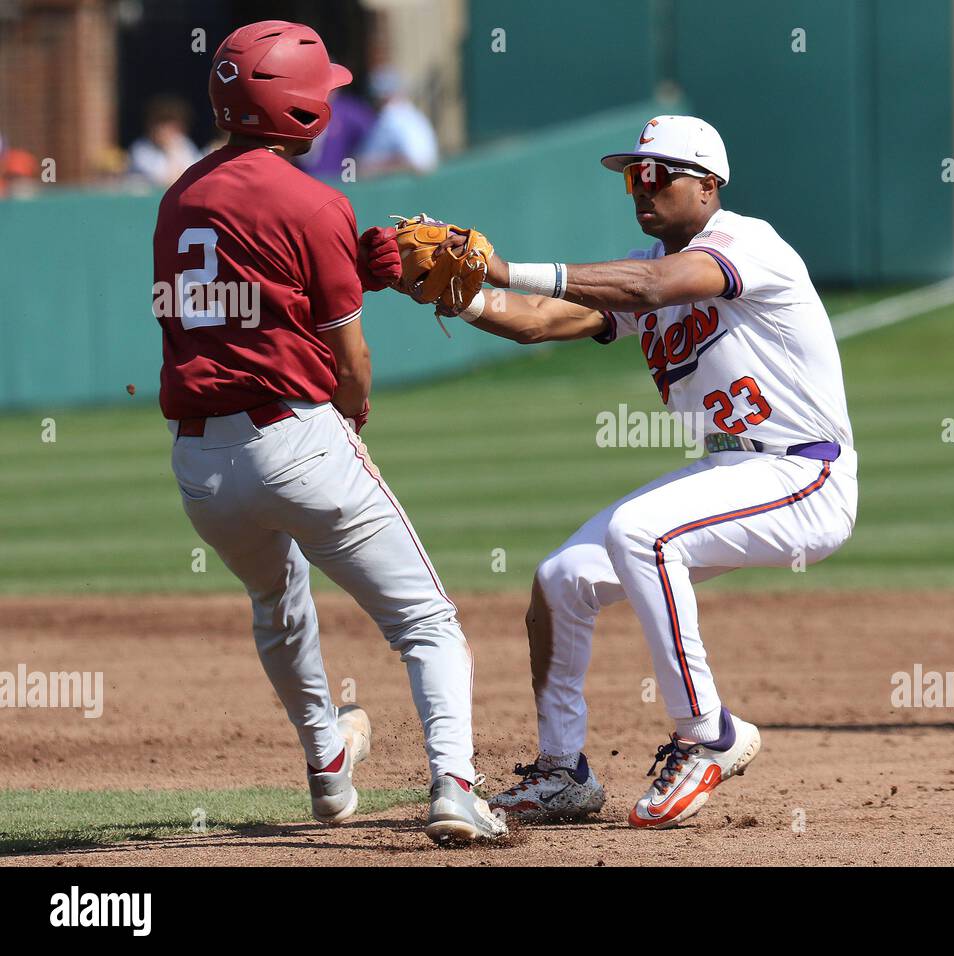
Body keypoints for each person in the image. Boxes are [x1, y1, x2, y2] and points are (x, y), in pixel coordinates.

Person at [362, 115, 857, 828]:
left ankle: (707, 733)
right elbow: (535, 319)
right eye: (633, 176)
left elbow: (656, 286)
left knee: (642, 533)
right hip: (733, 473)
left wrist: (498, 264)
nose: (641, 189)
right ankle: (563, 772)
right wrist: (453, 292)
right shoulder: (639, 269)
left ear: (710, 185)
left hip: (806, 476)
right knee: (562, 580)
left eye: (658, 175)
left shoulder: (747, 244)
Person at [152, 19, 505, 842]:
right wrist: (351, 413)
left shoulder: (177, 200)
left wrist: (349, 256)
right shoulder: (315, 201)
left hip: (202, 466)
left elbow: (250, 297)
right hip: (295, 439)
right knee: (426, 624)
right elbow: (350, 359)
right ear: (301, 109)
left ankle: (326, 761)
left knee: (277, 602)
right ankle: (454, 787)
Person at [356, 66, 438, 177]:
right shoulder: (409, 113)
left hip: (403, 186)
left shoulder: (392, 116)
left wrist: (370, 167)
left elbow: (416, 161)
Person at [295, 89, 376, 182]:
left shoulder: (352, 112)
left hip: (339, 183)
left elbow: (369, 153)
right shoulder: (294, 110)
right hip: (302, 183)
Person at [129, 96, 202, 188]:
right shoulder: (141, 148)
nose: (165, 130)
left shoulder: (185, 144)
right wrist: (169, 150)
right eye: (161, 124)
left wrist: (172, 150)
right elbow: (163, 179)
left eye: (171, 124)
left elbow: (195, 175)